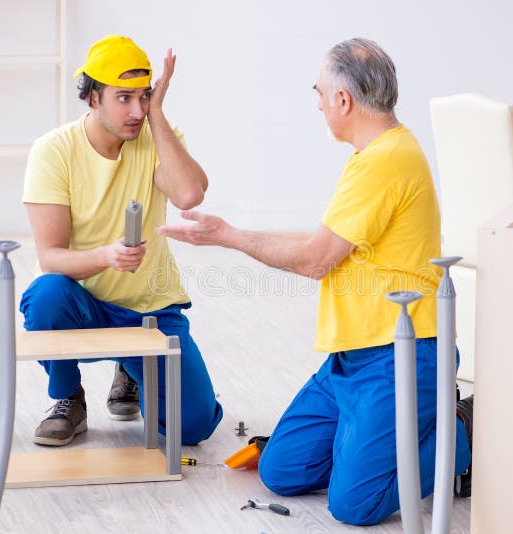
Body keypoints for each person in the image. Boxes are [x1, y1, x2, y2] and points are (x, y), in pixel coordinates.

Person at [158, 38, 474, 526]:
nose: (321, 105)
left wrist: (227, 235)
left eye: (321, 94)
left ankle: (467, 431)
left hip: (403, 354)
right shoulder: (376, 153)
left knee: (355, 505)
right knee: (282, 469)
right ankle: (375, 436)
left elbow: (315, 260)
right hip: (353, 356)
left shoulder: (384, 160)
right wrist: (232, 233)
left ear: (344, 100)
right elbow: (325, 242)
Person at [21, 34, 223, 447]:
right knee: (45, 296)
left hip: (150, 309)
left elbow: (189, 195)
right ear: (93, 98)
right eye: (124, 97)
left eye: (144, 96)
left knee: (192, 427)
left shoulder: (155, 137)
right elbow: (52, 256)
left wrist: (159, 115)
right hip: (81, 304)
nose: (137, 110)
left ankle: (132, 370)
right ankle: (67, 397)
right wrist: (107, 256)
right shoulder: (53, 151)